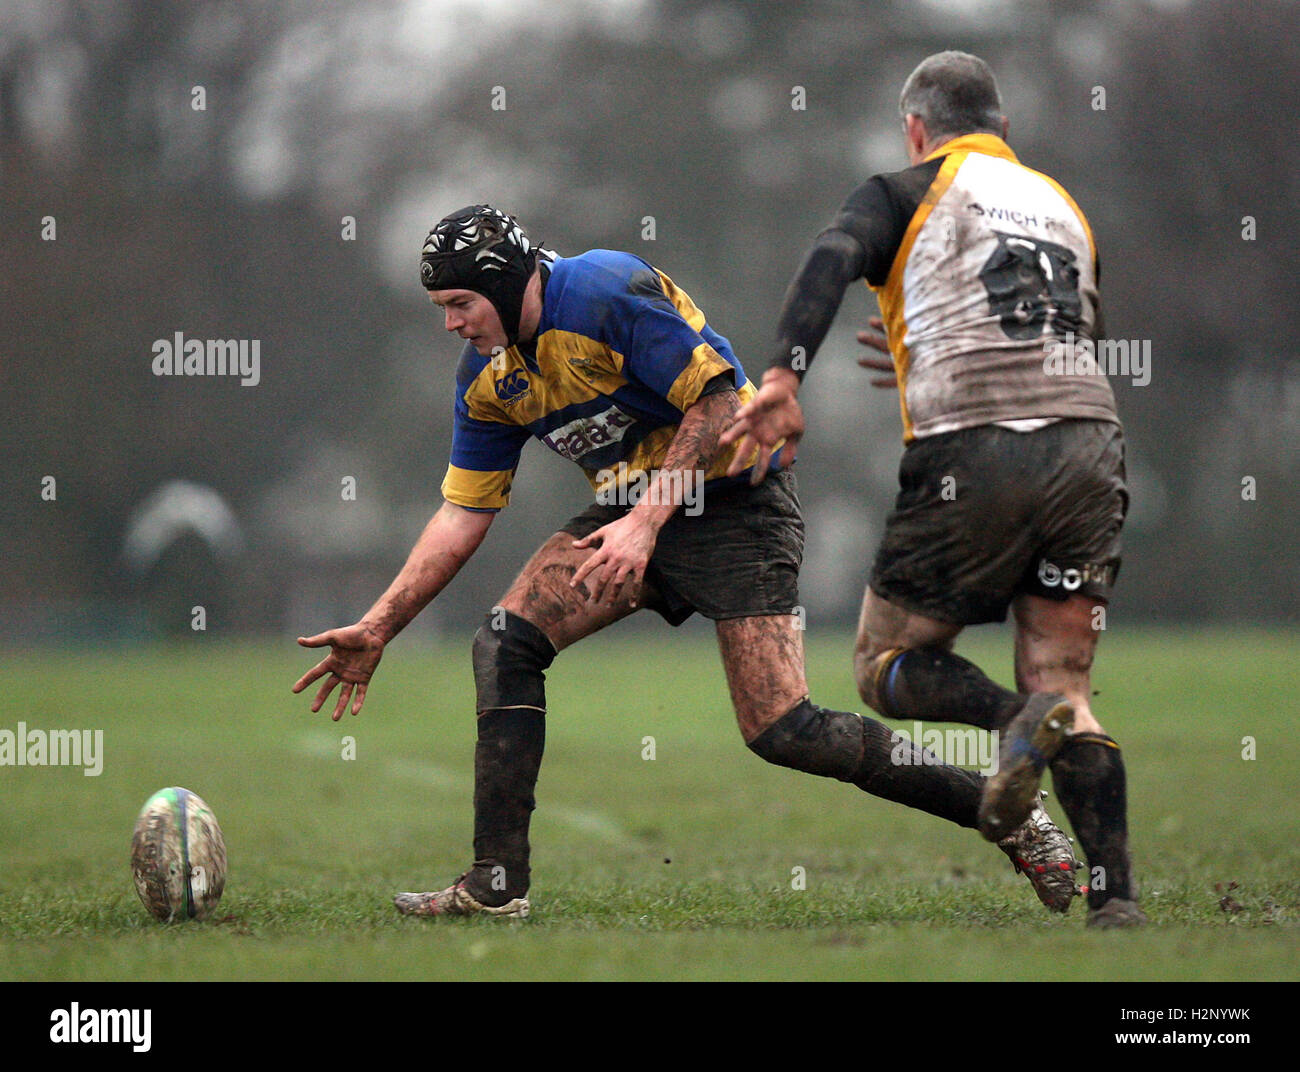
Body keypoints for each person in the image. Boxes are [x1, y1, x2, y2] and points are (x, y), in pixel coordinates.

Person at [291, 203, 1077, 919]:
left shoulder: (603, 292)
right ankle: (496, 887)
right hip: (632, 513)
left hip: (736, 506)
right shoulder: (489, 381)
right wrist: (381, 624)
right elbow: (464, 513)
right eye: (442, 311)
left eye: (459, 305)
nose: (452, 325)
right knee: (506, 641)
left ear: (500, 283)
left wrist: (646, 522)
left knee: (784, 730)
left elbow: (722, 405)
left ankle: (1006, 816)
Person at [722, 51, 1144, 928]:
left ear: (917, 127)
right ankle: (1117, 902)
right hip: (1090, 446)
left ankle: (1014, 718)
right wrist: (923, 333)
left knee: (882, 663)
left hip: (978, 451)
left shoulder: (901, 190)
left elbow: (831, 257)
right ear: (1002, 128)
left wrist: (784, 377)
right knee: (1068, 680)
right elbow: (1074, 325)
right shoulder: (1063, 204)